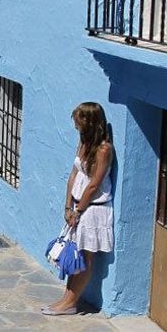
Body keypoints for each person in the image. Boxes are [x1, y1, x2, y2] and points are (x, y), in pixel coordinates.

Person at [43, 102, 114, 316]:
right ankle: (66, 299)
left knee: (85, 257)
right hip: (77, 207)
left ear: (91, 123)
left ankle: (71, 303)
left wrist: (78, 211)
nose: (76, 127)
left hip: (92, 210)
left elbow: (94, 184)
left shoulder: (104, 150)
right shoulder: (83, 143)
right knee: (73, 254)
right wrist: (67, 206)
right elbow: (74, 174)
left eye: (79, 122)